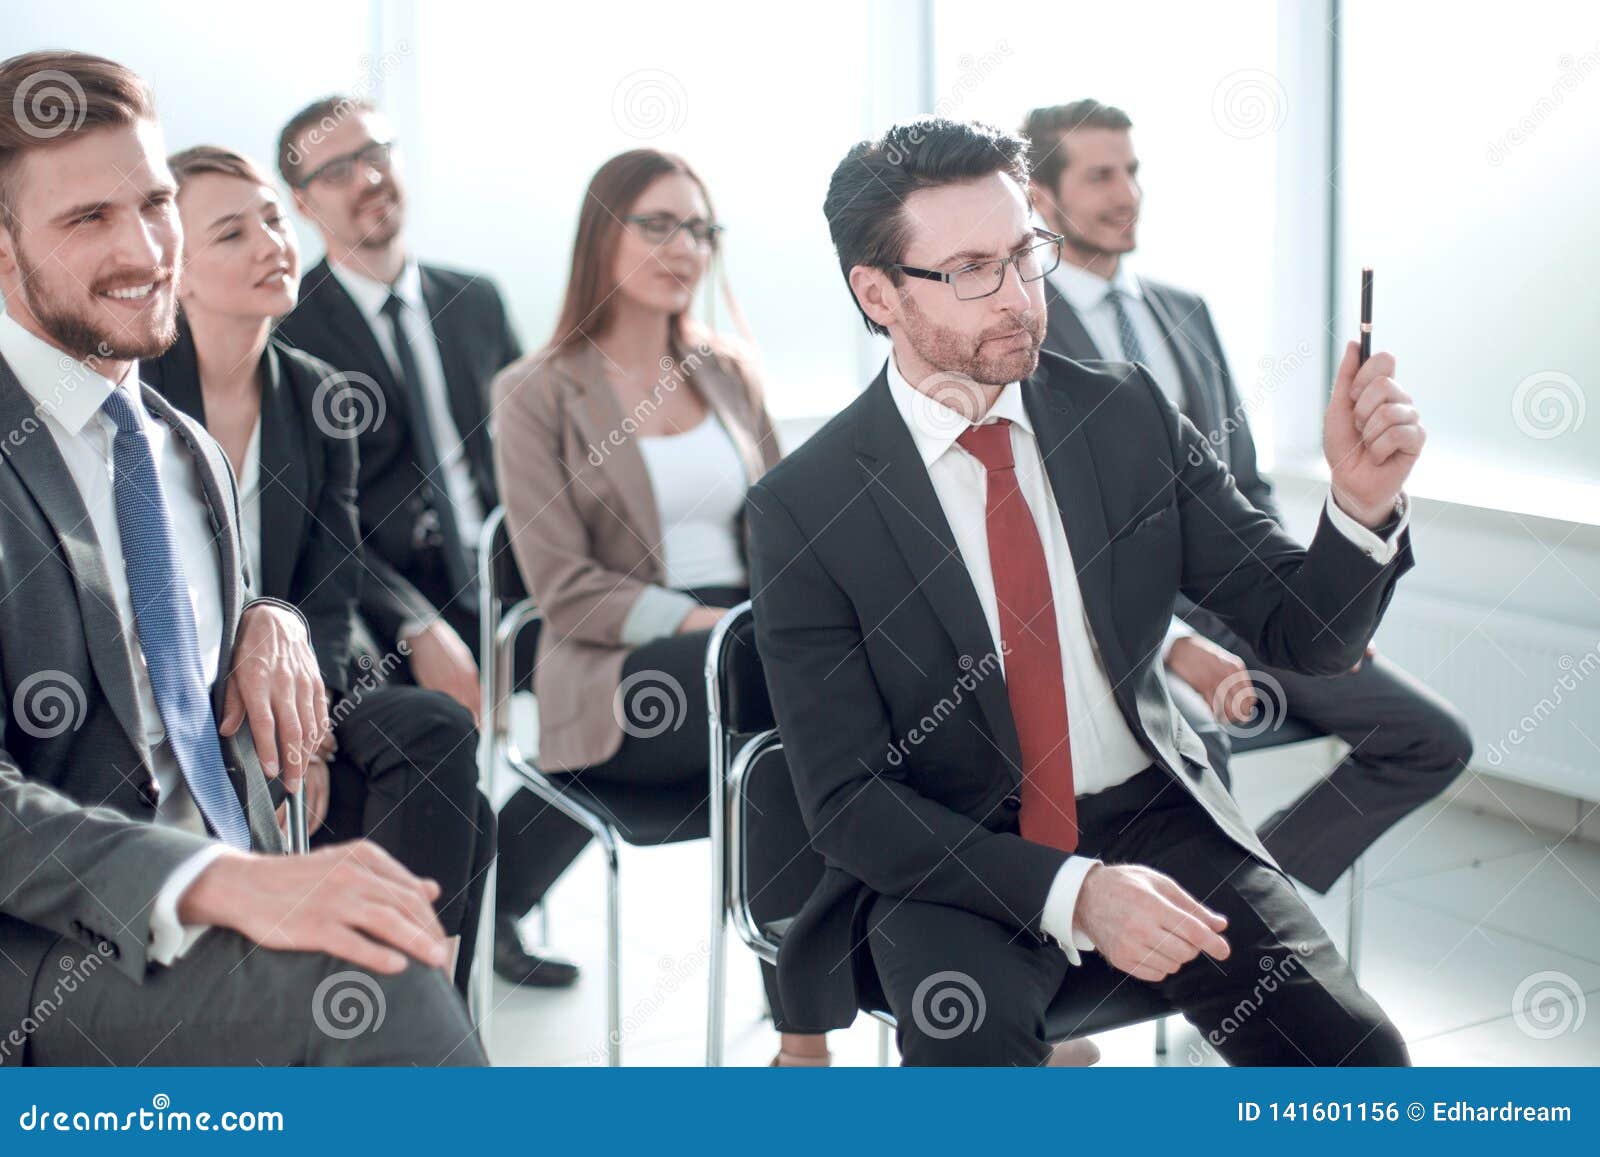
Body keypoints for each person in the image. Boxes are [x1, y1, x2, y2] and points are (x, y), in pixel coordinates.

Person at [746, 117, 1421, 1066]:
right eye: (975, 269)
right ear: (879, 292)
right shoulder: (805, 505)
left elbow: (1301, 631)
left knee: (1359, 1059)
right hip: (954, 857)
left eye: (1026, 253)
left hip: (1154, 816)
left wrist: (1360, 503)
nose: (1022, 297)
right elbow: (851, 803)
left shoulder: (1124, 412)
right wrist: (1076, 892)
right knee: (972, 1052)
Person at [0, 51, 480, 1065]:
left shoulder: (181, 449)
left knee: (403, 917)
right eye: (87, 219)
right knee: (386, 995)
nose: (145, 247)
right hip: (54, 949)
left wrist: (273, 615)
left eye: (156, 202)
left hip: (233, 870)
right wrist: (212, 881)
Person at [1023, 99, 1472, 893]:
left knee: (1432, 738)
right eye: (1100, 175)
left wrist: (1315, 604)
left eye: (1132, 170)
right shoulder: (1025, 334)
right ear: (1041, 199)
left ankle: (1251, 895)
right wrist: (1177, 645)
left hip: (1247, 615)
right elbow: (1048, 528)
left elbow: (1246, 483)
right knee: (1200, 753)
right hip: (1119, 640)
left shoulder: (1182, 311)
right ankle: (1222, 939)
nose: (1127, 192)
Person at [491, 148, 830, 1064]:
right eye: (660, 224)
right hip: (617, 654)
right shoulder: (534, 391)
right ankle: (807, 1040)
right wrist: (712, 629)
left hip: (755, 642)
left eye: (702, 229)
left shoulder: (728, 372)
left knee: (824, 702)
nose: (686, 246)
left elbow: (787, 532)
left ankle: (948, 987)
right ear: (603, 234)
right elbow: (562, 587)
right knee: (785, 699)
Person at [144, 144, 496, 997]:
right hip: (182, 693)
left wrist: (311, 730)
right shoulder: (139, 397)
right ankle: (403, 1023)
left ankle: (408, 1012)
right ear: (177, 273)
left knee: (436, 732)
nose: (272, 242)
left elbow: (330, 587)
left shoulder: (317, 396)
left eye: (273, 217)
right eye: (232, 233)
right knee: (468, 822)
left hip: (302, 685)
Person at [273, 94, 522, 725]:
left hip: (508, 573)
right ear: (302, 203)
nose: (369, 178)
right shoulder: (285, 330)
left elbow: (529, 452)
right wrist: (410, 618)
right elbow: (308, 514)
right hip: (382, 602)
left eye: (376, 153)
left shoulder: (476, 300)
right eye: (337, 171)